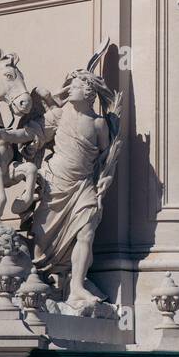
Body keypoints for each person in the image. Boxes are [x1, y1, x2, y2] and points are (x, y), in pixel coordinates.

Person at [31, 68, 121, 309]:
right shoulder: (61, 115)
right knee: (40, 240)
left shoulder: (99, 124)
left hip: (83, 186)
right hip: (56, 183)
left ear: (89, 91)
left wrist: (107, 177)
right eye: (69, 85)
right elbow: (35, 132)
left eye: (76, 86)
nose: (70, 89)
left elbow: (105, 157)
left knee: (87, 232)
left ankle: (77, 287)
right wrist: (5, 136)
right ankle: (43, 275)